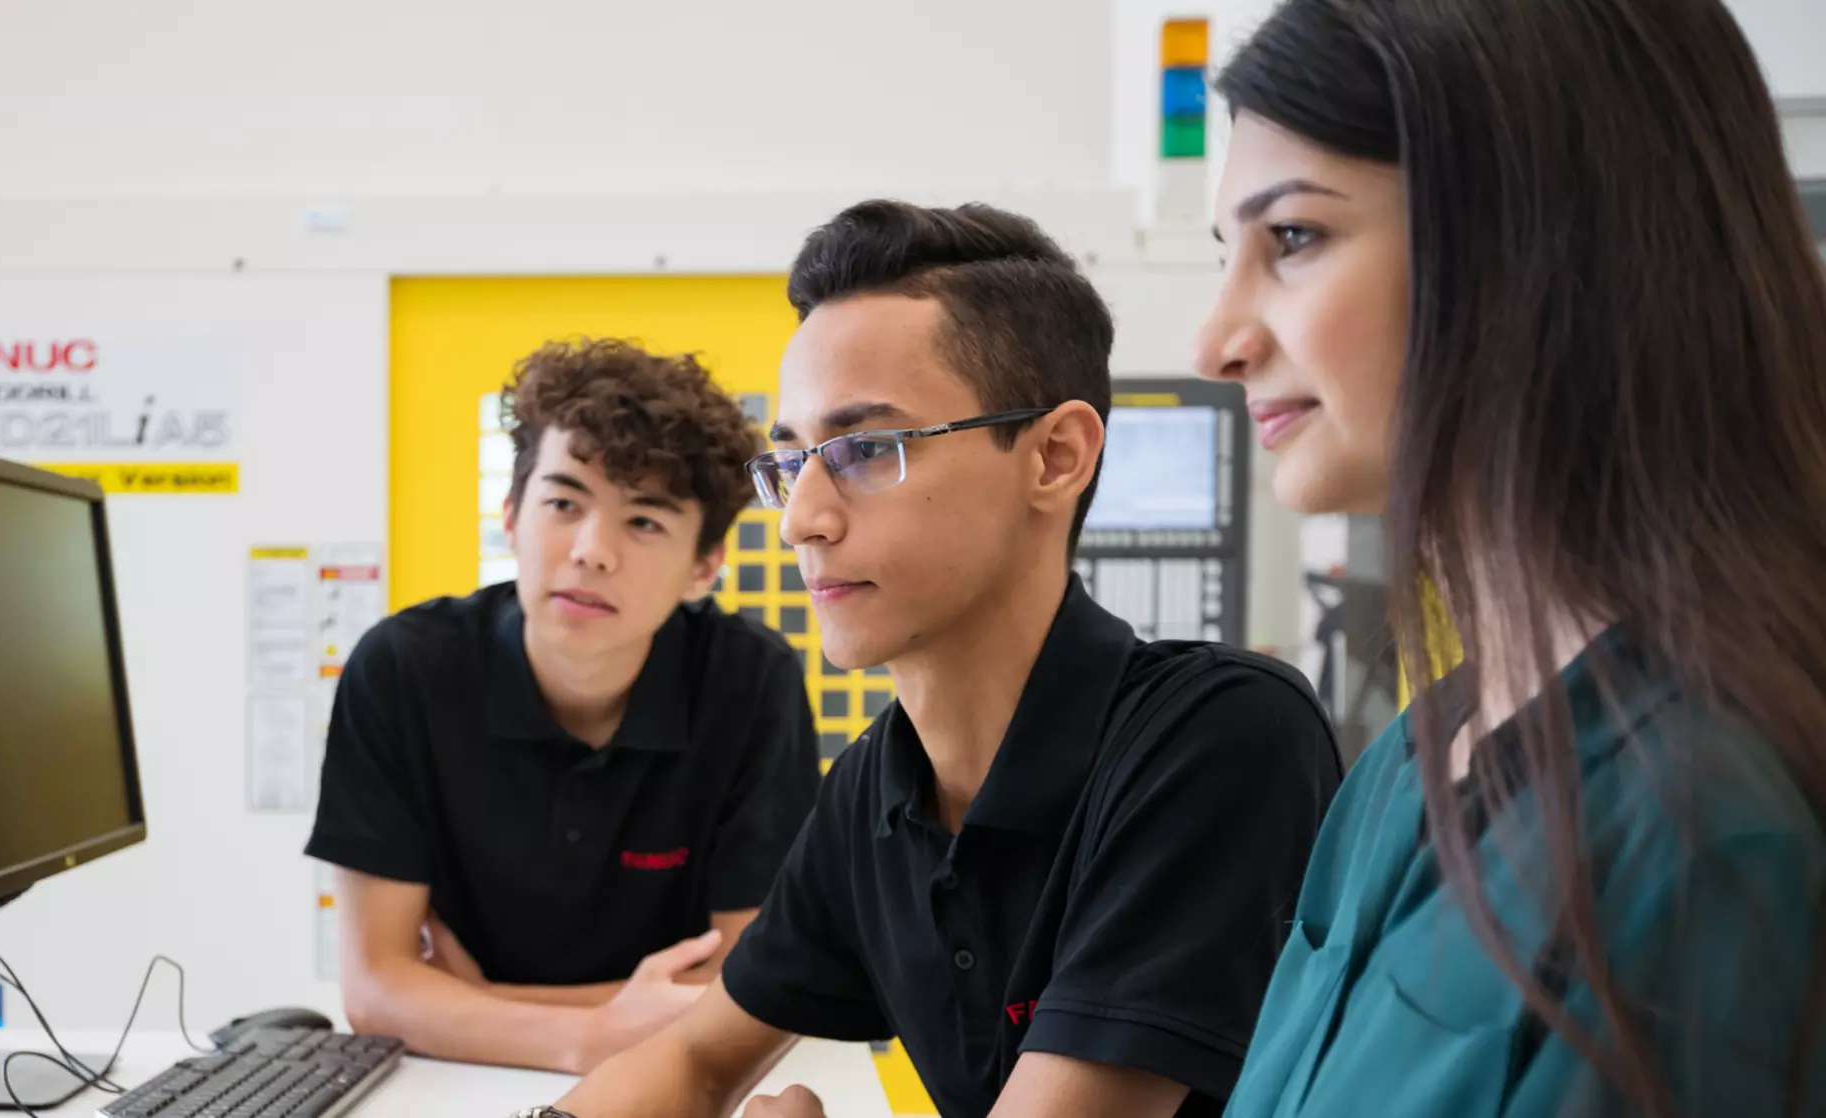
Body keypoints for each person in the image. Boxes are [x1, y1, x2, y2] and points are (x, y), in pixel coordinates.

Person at [542, 200, 1343, 1118]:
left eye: (867, 449)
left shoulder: (1217, 738)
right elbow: (693, 1057)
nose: (804, 517)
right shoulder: (875, 790)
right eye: (794, 460)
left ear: (1055, 456)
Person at [1197, 1, 1826, 1114]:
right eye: (1226, 253)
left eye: (1291, 238)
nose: (1216, 340)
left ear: (1532, 243)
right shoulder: (1407, 765)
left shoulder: (1702, 839)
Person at [306, 338, 822, 1074]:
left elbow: (748, 986)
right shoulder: (403, 669)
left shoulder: (750, 683)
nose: (591, 550)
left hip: (672, 1081)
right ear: (512, 515)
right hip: (448, 1082)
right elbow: (376, 988)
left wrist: (481, 1000)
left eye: (644, 521)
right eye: (562, 502)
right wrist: (588, 1035)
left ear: (703, 567)